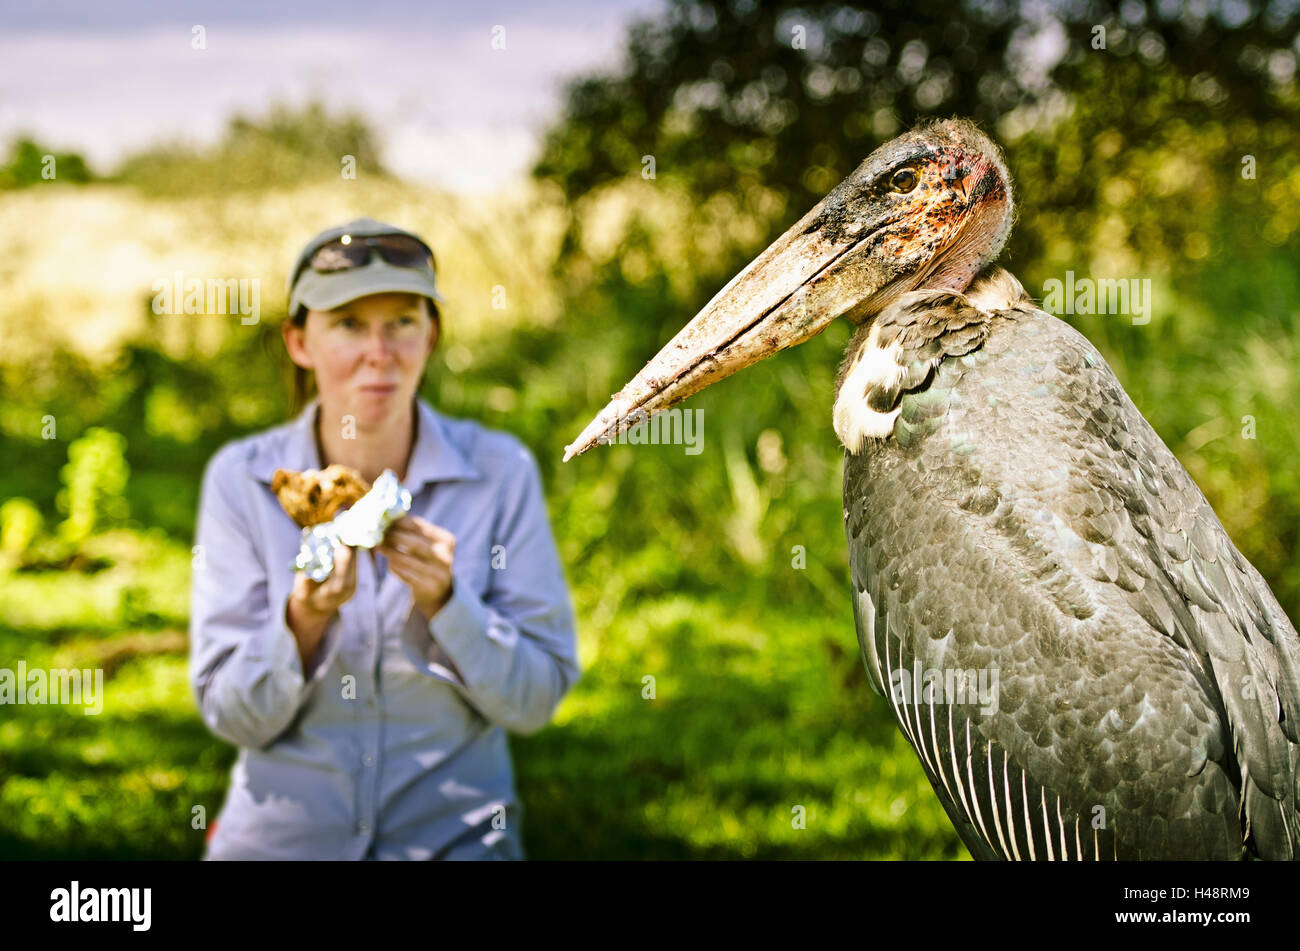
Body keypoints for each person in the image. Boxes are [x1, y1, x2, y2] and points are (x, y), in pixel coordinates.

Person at [188, 217, 579, 860]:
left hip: (454, 842)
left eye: (402, 321)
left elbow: (534, 701)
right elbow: (232, 717)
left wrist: (452, 607)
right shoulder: (244, 480)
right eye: (347, 324)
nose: (380, 352)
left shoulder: (500, 473)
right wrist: (301, 621)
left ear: (432, 335)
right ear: (298, 341)